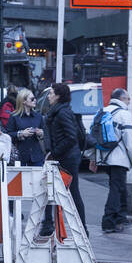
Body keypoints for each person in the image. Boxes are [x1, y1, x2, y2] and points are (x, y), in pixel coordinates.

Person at [93, 88, 132, 234]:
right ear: (122, 99)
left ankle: (120, 217)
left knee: (118, 187)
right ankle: (108, 221)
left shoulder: (102, 112)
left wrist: (93, 159)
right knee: (116, 190)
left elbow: (93, 137)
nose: (129, 101)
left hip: (104, 158)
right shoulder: (125, 115)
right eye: (128, 99)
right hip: (119, 159)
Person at [39, 82, 86, 235]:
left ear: (58, 96)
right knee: (51, 190)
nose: (49, 96)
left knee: (72, 192)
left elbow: (71, 137)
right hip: (63, 157)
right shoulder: (58, 111)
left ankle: (82, 228)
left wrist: (55, 152)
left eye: (51, 93)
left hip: (67, 158)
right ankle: (48, 224)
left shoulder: (62, 112)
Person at [5, 88, 46, 166]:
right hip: (20, 156)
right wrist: (21, 134)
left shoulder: (38, 116)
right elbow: (7, 135)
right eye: (32, 99)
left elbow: (45, 134)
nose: (35, 100)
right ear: (23, 101)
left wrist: (41, 133)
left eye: (35, 98)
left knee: (37, 178)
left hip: (36, 156)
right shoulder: (14, 117)